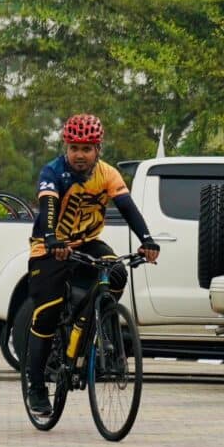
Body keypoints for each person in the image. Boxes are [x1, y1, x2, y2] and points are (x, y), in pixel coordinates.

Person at [23, 114, 159, 419]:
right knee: (46, 312)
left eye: (86, 149)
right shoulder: (53, 172)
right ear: (65, 147)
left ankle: (98, 323)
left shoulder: (108, 174)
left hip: (86, 242)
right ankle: (35, 387)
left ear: (98, 149)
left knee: (117, 272)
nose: (79, 155)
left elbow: (127, 208)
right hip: (49, 247)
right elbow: (47, 209)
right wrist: (52, 239)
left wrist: (147, 239)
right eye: (74, 148)